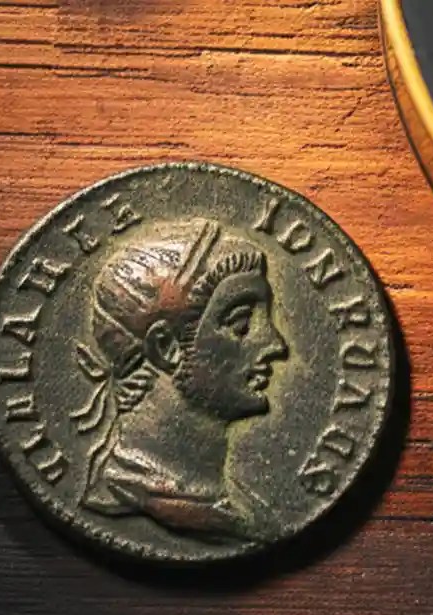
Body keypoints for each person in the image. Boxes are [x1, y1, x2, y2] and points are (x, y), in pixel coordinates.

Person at [72, 218, 289, 541]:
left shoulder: (232, 507)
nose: (277, 345)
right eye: (241, 323)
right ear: (165, 348)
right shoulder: (142, 502)